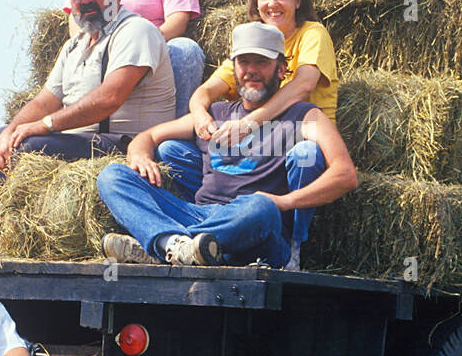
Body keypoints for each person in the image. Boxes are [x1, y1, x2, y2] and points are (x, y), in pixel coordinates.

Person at [97, 22, 357, 269]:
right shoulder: (217, 113)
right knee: (112, 176)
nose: (251, 70)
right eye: (244, 62)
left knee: (259, 207)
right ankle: (175, 246)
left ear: (281, 69)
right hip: (198, 215)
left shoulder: (302, 115)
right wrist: (140, 156)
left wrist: (284, 202)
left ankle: (161, 245)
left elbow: (345, 174)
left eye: (262, 62)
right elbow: (149, 136)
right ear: (234, 69)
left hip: (257, 229)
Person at [159, 0, 339, 267]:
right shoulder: (251, 44)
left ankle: (293, 244)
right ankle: (211, 220)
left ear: (298, 1)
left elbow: (302, 85)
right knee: (170, 149)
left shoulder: (312, 33)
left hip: (296, 137)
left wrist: (248, 122)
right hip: (255, 144)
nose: (272, 3)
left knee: (305, 154)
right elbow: (204, 92)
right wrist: (200, 114)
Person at [0, 0, 176, 168]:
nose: (86, 0)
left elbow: (110, 98)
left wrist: (46, 124)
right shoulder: (74, 46)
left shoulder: (136, 30)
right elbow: (44, 102)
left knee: (29, 146)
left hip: (127, 147)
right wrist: (10, 130)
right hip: (84, 144)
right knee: (0, 140)